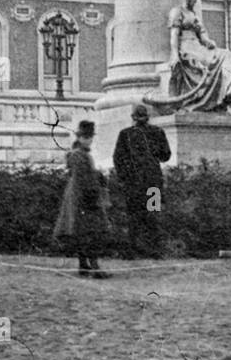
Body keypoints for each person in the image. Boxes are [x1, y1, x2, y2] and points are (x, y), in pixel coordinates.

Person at [53, 119, 111, 278]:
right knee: (91, 232)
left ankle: (83, 265)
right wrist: (94, 194)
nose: (89, 139)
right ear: (79, 137)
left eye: (90, 136)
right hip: (84, 197)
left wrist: (97, 176)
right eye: (85, 137)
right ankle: (94, 267)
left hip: (76, 196)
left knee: (81, 232)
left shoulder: (79, 154)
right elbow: (84, 179)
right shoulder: (80, 156)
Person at [113, 103, 172, 257]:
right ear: (148, 117)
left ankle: (132, 250)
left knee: (133, 215)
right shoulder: (158, 132)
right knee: (153, 213)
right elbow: (166, 155)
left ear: (133, 117)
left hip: (133, 182)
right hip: (153, 181)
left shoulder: (125, 134)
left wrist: (123, 178)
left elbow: (118, 159)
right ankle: (155, 250)